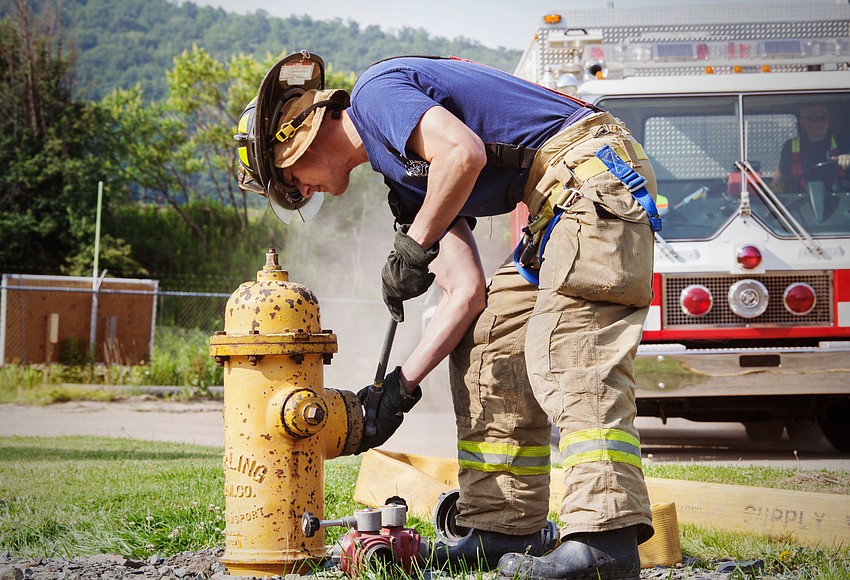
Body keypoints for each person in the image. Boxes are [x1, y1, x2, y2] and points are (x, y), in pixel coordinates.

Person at [235, 51, 659, 580]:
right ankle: (504, 525)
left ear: (296, 135)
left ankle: (606, 542)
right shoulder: (406, 186)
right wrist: (398, 391)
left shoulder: (376, 92)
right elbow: (466, 294)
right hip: (554, 209)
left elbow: (464, 153)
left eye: (285, 180)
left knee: (568, 350)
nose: (297, 193)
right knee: (491, 336)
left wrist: (414, 247)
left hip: (592, 173)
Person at [772, 103, 849, 193]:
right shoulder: (790, 146)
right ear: (803, 122)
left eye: (823, 118)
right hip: (801, 201)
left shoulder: (844, 142)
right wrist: (775, 195)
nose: (819, 123)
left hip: (841, 200)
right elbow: (781, 178)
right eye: (814, 119)